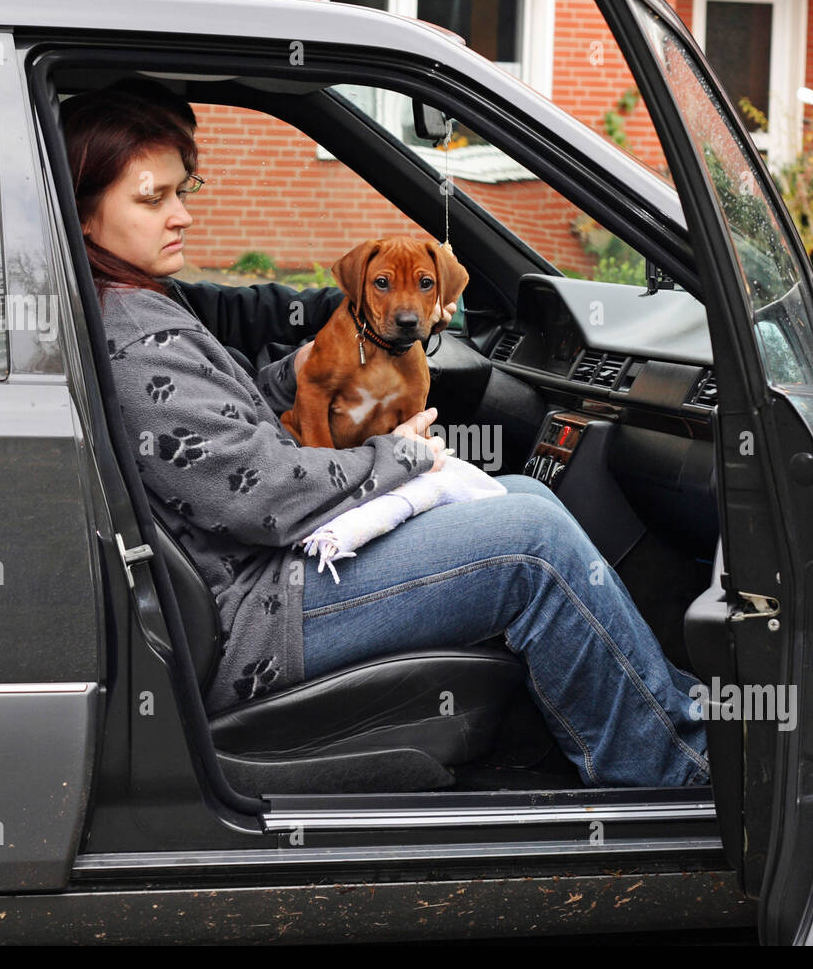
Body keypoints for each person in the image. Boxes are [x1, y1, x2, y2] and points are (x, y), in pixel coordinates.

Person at [63, 85, 709, 788]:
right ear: (87, 213)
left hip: (251, 583)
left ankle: (664, 708)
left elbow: (219, 436)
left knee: (518, 493)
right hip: (253, 613)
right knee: (534, 544)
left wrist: (296, 374)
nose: (182, 214)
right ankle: (668, 767)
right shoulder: (139, 335)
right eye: (152, 199)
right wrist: (404, 457)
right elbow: (264, 497)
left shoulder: (136, 303)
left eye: (181, 193)